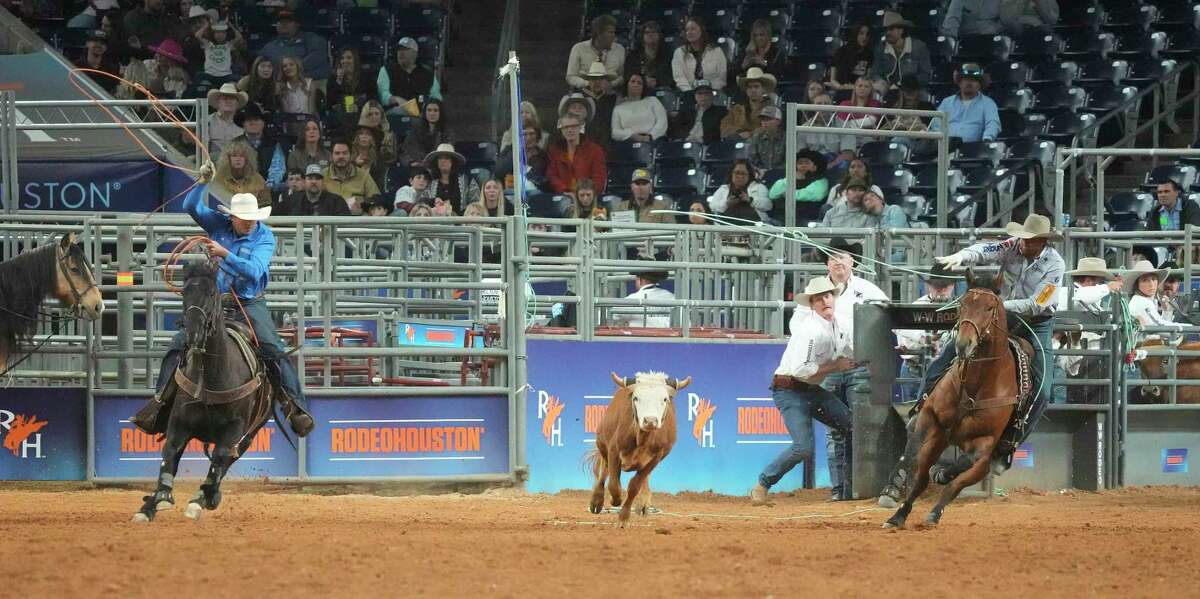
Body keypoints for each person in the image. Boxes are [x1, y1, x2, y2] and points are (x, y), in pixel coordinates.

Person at [130, 160, 313, 437]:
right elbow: (192, 207)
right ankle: (159, 403)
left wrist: (225, 254)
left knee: (273, 349)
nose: (250, 223)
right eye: (245, 218)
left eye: (253, 219)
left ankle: (295, 407)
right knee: (178, 344)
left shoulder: (264, 237)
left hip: (248, 304)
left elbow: (255, 272)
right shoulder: (219, 224)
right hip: (215, 303)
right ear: (232, 217)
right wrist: (202, 182)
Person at [923, 213, 1064, 480]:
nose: (1023, 244)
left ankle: (1008, 444)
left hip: (1036, 320)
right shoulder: (1012, 246)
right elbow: (985, 250)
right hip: (1001, 315)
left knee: (1044, 389)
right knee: (950, 353)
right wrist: (961, 257)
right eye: (1022, 239)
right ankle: (922, 406)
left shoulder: (1055, 265)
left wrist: (995, 305)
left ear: (1043, 242)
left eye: (1031, 241)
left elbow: (1038, 303)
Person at [750, 276, 856, 506]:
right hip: (789, 389)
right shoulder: (810, 330)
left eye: (827, 296)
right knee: (803, 447)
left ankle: (848, 488)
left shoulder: (841, 323)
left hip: (809, 389)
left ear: (833, 298)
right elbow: (800, 370)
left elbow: (848, 347)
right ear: (813, 305)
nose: (825, 301)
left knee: (851, 426)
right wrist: (836, 366)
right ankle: (763, 483)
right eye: (819, 299)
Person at [822, 239, 888, 500]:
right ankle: (840, 489)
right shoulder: (817, 290)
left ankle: (858, 488)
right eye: (833, 257)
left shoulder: (868, 289)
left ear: (852, 261)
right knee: (834, 429)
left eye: (843, 256)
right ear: (827, 263)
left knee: (860, 427)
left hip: (859, 365)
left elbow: (889, 315)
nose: (838, 261)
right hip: (828, 366)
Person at [895, 266, 958, 404]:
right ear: (929, 286)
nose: (940, 290)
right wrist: (927, 341)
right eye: (936, 286)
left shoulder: (959, 309)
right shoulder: (916, 306)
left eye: (944, 286)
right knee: (910, 413)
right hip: (914, 367)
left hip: (945, 370)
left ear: (952, 286)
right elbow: (902, 336)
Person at [929, 63, 1001, 144]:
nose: (969, 83)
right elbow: (936, 124)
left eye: (973, 80)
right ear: (959, 83)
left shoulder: (988, 103)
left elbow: (993, 123)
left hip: (972, 150)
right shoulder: (947, 102)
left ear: (979, 84)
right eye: (966, 79)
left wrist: (988, 138)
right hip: (945, 147)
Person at [258, 10, 331, 84]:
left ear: (297, 24)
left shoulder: (312, 39)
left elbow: (317, 57)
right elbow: (260, 66)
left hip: (312, 82)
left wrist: (292, 71)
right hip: (280, 85)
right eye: (280, 22)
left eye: (288, 21)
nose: (283, 24)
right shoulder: (269, 47)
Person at [868, 12, 932, 94]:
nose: (887, 33)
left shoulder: (919, 47)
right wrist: (881, 82)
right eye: (886, 29)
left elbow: (925, 75)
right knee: (875, 88)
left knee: (922, 94)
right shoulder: (881, 47)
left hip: (913, 88)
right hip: (888, 89)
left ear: (901, 30)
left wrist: (904, 85)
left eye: (891, 29)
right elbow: (875, 72)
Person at [546, 114, 607, 197]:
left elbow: (599, 177)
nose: (570, 130)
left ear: (580, 127)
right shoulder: (555, 151)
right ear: (561, 130)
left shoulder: (595, 150)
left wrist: (584, 194)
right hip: (564, 195)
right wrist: (565, 191)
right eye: (566, 127)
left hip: (589, 196)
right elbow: (552, 176)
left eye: (573, 126)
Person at [378, 36, 438, 115]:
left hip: (420, 115)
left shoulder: (427, 73)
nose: (401, 53)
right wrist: (397, 99)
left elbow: (436, 97)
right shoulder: (386, 70)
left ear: (415, 53)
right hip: (394, 114)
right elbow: (383, 95)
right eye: (399, 50)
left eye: (405, 49)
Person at [232, 103, 285, 192]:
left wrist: (266, 188)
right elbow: (228, 170)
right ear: (243, 124)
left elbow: (277, 170)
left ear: (263, 123)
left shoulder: (274, 144)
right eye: (249, 120)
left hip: (269, 192)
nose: (253, 122)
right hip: (239, 191)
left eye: (256, 119)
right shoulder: (234, 145)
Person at [768, 150, 830, 224]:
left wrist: (786, 194)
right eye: (800, 163)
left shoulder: (821, 181)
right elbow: (772, 194)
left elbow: (815, 195)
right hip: (781, 218)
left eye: (807, 163)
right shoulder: (786, 180)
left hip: (808, 219)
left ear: (815, 166)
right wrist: (791, 179)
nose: (803, 165)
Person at [566, 14, 626, 91]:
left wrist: (611, 84)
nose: (614, 36)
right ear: (599, 33)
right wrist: (587, 84)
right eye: (610, 32)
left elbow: (622, 77)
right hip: (584, 92)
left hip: (610, 93)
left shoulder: (619, 49)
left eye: (614, 32)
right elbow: (570, 76)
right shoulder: (579, 48)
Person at [672, 16, 728, 92]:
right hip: (688, 93)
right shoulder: (679, 53)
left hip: (713, 93)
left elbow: (721, 77)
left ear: (702, 30)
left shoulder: (716, 51)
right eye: (687, 30)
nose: (689, 32)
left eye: (693, 29)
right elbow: (679, 78)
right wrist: (690, 92)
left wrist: (708, 91)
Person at [323, 140, 381, 214]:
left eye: (345, 153)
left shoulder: (363, 175)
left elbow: (376, 198)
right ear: (331, 156)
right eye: (337, 153)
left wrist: (362, 205)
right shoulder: (322, 175)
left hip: (356, 219)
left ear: (351, 156)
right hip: (329, 219)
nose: (341, 156)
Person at [325, 47, 373, 134]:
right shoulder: (333, 79)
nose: (345, 61)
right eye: (342, 58)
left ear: (355, 60)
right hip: (341, 116)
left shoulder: (366, 76)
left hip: (362, 112)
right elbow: (330, 102)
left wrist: (359, 107)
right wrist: (338, 81)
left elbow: (373, 97)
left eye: (349, 58)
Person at [721, 67, 776, 141]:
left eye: (756, 87)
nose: (753, 90)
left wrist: (751, 134)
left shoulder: (772, 110)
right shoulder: (736, 109)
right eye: (750, 87)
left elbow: (772, 128)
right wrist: (739, 132)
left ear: (763, 89)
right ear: (746, 90)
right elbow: (725, 126)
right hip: (738, 149)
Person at [212, 140, 271, 208]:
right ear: (227, 159)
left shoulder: (257, 179)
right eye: (234, 156)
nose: (238, 159)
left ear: (247, 159)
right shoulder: (218, 179)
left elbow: (265, 204)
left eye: (241, 156)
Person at [611, 73, 668, 143]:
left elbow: (662, 122)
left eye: (639, 83)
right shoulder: (618, 108)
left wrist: (650, 136)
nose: (636, 84)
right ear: (627, 84)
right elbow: (615, 132)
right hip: (629, 142)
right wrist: (631, 135)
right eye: (633, 81)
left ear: (643, 87)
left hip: (653, 140)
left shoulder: (653, 101)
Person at [276, 164, 351, 216]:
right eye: (310, 178)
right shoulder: (292, 200)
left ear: (323, 182)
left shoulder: (336, 201)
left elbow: (345, 227)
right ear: (304, 181)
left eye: (318, 178)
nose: (314, 181)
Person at [424, 143, 478, 216]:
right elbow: (421, 203)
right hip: (435, 224)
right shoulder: (430, 183)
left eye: (446, 158)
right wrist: (433, 201)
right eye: (440, 158)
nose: (443, 161)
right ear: (436, 162)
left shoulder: (467, 181)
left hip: (462, 223)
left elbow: (475, 204)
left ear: (453, 161)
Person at [671, 79, 726, 144]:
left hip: (707, 145)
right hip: (684, 143)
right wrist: (684, 137)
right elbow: (675, 128)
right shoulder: (686, 111)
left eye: (706, 93)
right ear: (695, 96)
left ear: (712, 95)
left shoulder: (721, 112)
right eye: (699, 93)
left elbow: (720, 133)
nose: (703, 96)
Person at [623, 21, 672, 92]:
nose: (650, 35)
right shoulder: (633, 55)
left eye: (654, 32)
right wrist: (643, 80)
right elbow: (628, 75)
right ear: (642, 36)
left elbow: (670, 77)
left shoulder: (667, 55)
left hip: (661, 91)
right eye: (647, 32)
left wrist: (657, 82)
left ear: (659, 35)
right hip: (638, 90)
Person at [579, 62, 619, 149]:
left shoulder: (614, 100)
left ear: (606, 81)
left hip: (608, 147)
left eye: (600, 79)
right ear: (589, 81)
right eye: (593, 79)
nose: (597, 82)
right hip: (585, 147)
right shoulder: (580, 99)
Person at [1125, 260, 1174, 328]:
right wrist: (1188, 327)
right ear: (1137, 284)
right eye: (1145, 280)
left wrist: (1166, 310)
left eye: (1153, 279)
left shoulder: (1145, 300)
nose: (1151, 284)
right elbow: (1163, 328)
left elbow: (1162, 326)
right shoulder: (1141, 302)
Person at [402, 98, 449, 167]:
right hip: (418, 166)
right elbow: (406, 150)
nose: (432, 113)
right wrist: (411, 163)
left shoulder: (446, 131)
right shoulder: (415, 130)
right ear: (425, 112)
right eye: (429, 110)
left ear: (440, 113)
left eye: (435, 110)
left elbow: (448, 152)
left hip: (438, 167)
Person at [198, 20, 245, 86]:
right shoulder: (208, 44)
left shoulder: (229, 45)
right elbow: (198, 35)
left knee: (238, 82)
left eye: (223, 33)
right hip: (210, 75)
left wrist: (230, 25)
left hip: (226, 75)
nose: (220, 35)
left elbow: (239, 37)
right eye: (217, 32)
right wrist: (208, 24)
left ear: (226, 34)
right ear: (213, 33)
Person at [830, 23, 874, 92]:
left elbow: (868, 79)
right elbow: (833, 80)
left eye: (867, 34)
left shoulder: (869, 54)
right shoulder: (841, 52)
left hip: (861, 91)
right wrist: (840, 87)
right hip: (843, 90)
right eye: (861, 34)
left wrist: (854, 87)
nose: (865, 37)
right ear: (855, 34)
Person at [205, 83, 246, 156]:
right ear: (218, 102)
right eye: (224, 98)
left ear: (237, 103)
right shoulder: (207, 121)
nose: (228, 101)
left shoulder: (245, 122)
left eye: (232, 98)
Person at [356, 100, 397, 165]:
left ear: (381, 116)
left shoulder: (389, 134)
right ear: (365, 116)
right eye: (370, 114)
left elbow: (392, 158)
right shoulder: (358, 134)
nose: (374, 117)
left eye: (377, 114)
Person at [748, 105, 786, 172]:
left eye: (768, 119)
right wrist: (760, 170)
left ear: (778, 121)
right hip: (760, 174)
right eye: (762, 119)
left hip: (782, 175)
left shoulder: (787, 138)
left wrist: (774, 172)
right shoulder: (756, 138)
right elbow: (752, 159)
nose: (764, 122)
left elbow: (789, 161)